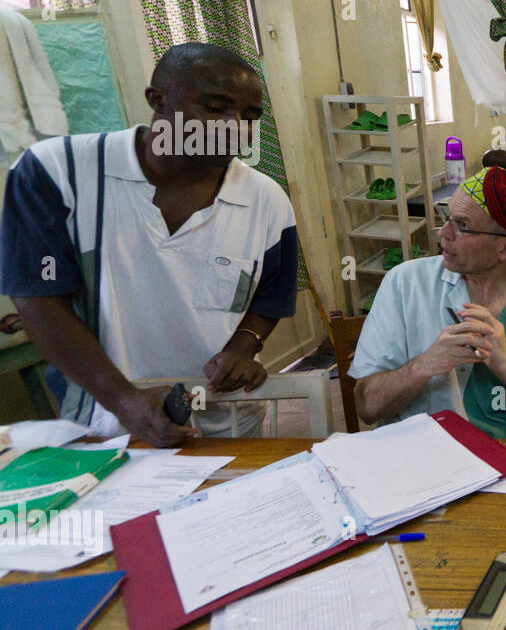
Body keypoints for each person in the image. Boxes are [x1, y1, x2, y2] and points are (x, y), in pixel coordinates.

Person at [0, 42, 298, 447]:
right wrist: (124, 401)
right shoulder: (58, 172)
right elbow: (40, 301)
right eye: (216, 107)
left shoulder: (265, 200)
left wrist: (246, 346)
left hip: (225, 419)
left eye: (250, 116)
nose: (236, 126)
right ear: (158, 100)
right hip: (105, 423)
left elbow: (271, 296)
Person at [349, 166, 506, 439]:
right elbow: (367, 407)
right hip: (425, 457)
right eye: (447, 217)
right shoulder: (405, 284)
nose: (443, 233)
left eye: (462, 226)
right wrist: (425, 364)